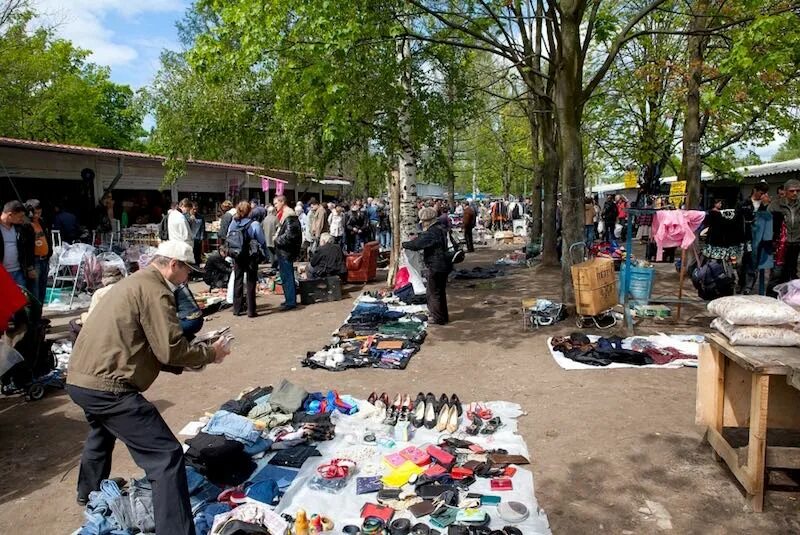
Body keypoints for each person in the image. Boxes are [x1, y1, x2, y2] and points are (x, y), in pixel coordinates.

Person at [65, 240, 231, 535]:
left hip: (82, 380)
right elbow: (169, 350)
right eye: (187, 271)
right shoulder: (156, 290)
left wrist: (196, 352)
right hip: (107, 385)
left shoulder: (136, 282)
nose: (187, 279)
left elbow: (151, 346)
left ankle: (88, 492)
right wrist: (209, 354)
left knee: (102, 432)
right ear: (173, 265)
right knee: (166, 456)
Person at [403, 207, 452, 325]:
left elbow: (417, 245)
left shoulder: (432, 232)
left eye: (423, 222)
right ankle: (442, 316)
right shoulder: (441, 228)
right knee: (440, 292)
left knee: (432, 293)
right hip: (444, 263)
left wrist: (405, 244)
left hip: (436, 265)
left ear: (427, 221)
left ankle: (437, 318)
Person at [227, 201, 267, 318]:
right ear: (250, 211)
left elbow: (229, 237)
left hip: (237, 255)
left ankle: (237, 308)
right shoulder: (254, 224)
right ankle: (251, 310)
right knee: (250, 283)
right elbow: (261, 240)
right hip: (250, 256)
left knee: (238, 280)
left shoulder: (234, 223)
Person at [738, 181, 770, 294]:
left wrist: (765, 206)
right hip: (744, 236)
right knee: (741, 262)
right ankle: (740, 283)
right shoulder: (744, 203)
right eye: (760, 193)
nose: (762, 196)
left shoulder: (766, 205)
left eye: (764, 193)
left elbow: (767, 220)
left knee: (753, 261)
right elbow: (737, 219)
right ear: (755, 190)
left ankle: (748, 286)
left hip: (758, 237)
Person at [769, 179, 800, 290]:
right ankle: (772, 296)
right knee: (777, 272)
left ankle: (788, 296)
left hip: (796, 243)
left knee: (792, 271)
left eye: (798, 190)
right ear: (785, 191)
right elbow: (767, 225)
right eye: (792, 191)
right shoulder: (775, 205)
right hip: (780, 244)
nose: (795, 193)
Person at [273, 195, 302, 310]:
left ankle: (290, 301)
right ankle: (289, 299)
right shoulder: (285, 215)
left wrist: (277, 240)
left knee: (287, 276)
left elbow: (290, 235)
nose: (275, 206)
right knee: (284, 276)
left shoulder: (289, 216)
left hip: (286, 251)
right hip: (283, 251)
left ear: (282, 202)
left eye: (276, 203)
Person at [24, 199, 52, 304]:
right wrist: (29, 266)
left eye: (39, 213)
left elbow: (47, 237)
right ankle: (34, 317)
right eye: (35, 213)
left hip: (44, 259)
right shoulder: (26, 224)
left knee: (42, 289)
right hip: (34, 261)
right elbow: (25, 247)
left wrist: (49, 253)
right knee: (34, 290)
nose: (37, 215)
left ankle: (39, 315)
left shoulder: (41, 222)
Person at [1, 201, 34, 288]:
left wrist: (29, 267)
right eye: (20, 216)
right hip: (2, 273)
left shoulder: (20, 228)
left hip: (18, 272)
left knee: (22, 300)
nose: (22, 219)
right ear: (10, 215)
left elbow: (28, 247)